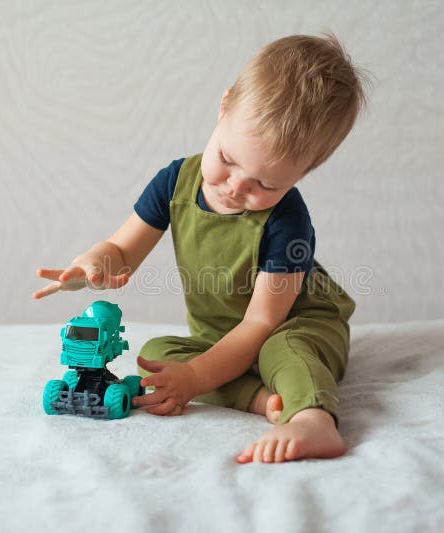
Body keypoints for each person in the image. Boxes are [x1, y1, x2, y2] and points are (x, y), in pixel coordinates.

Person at [34, 33, 368, 463]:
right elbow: (122, 250)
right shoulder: (176, 182)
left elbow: (261, 323)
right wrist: (95, 263)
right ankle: (259, 398)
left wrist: (195, 377)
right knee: (155, 358)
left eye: (266, 184)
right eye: (228, 159)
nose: (236, 185)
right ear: (224, 106)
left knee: (280, 350)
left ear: (304, 172)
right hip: (221, 336)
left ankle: (313, 418)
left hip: (291, 326)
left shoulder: (288, 221)